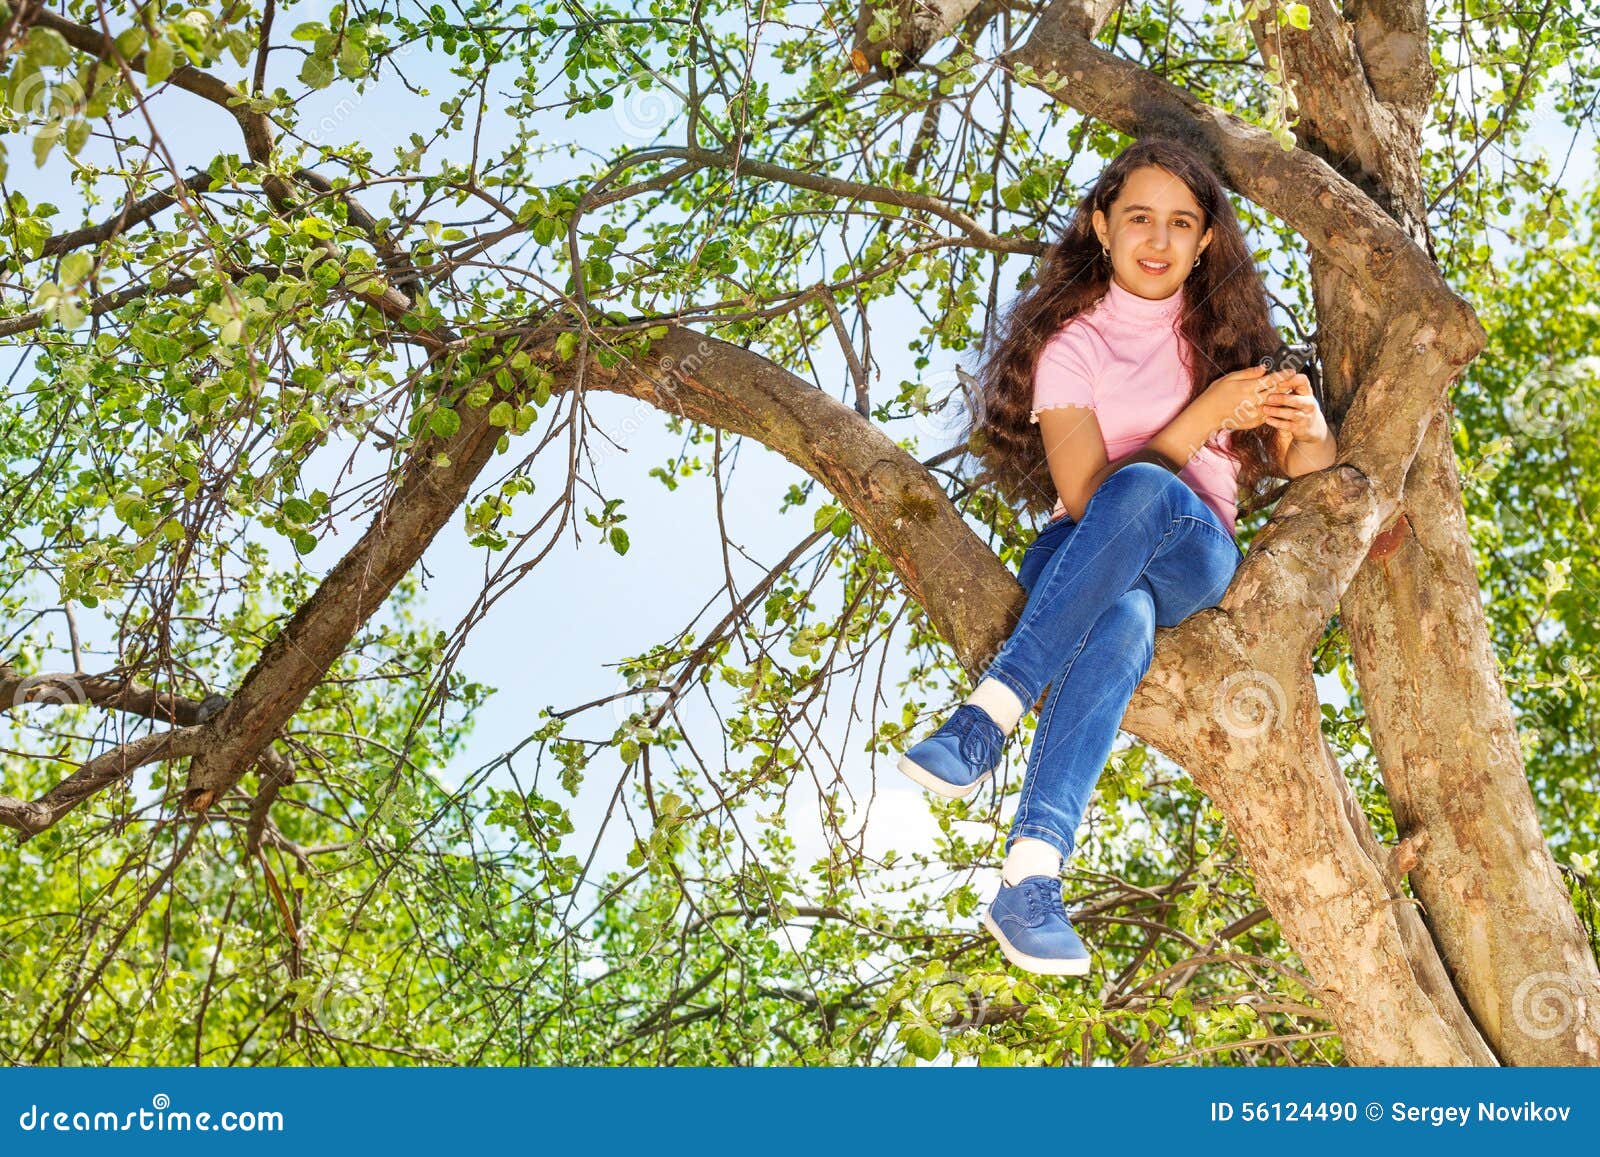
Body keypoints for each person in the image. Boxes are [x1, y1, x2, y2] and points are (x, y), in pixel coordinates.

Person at [898, 137, 1334, 976]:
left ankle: (987, 713)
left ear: (1207, 239)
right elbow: (1092, 496)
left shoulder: (1230, 343)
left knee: (1153, 506)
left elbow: (1313, 469)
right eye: (1139, 217)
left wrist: (1307, 426)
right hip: (1082, 554)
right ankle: (1030, 881)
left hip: (1194, 555)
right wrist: (1207, 411)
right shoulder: (1072, 349)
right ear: (1102, 226)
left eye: (1181, 223)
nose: (1159, 240)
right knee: (1123, 607)